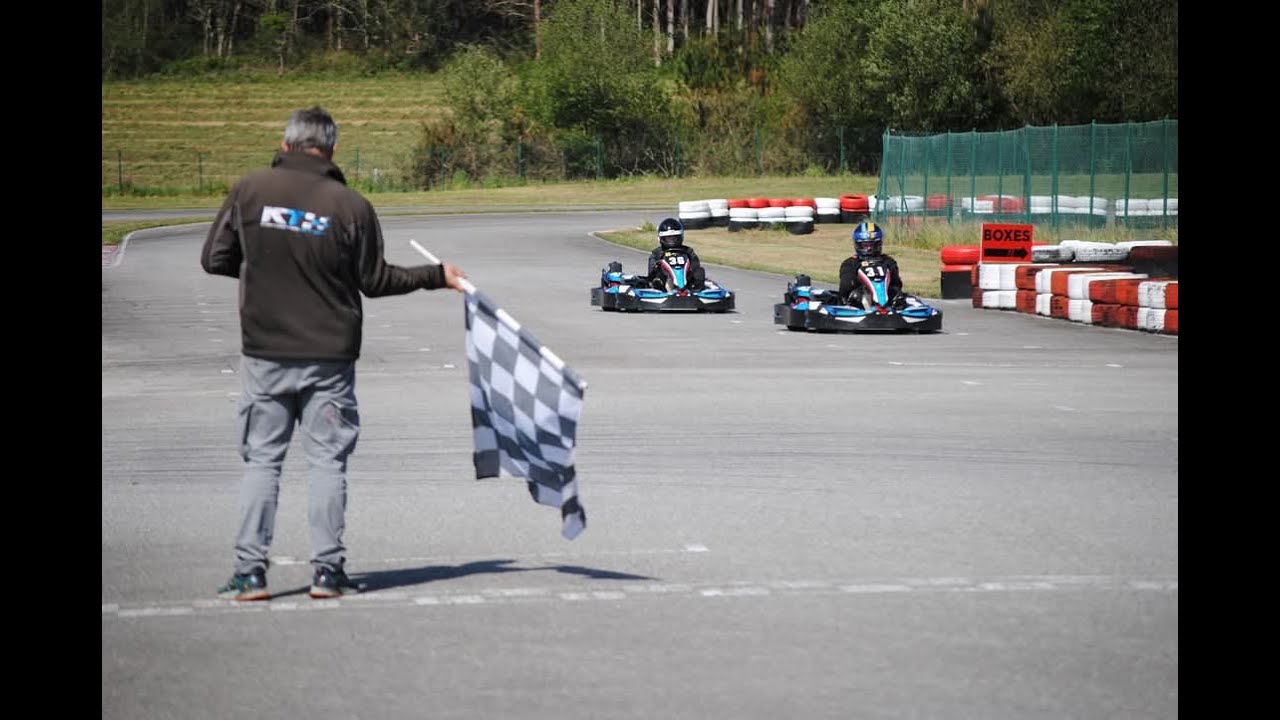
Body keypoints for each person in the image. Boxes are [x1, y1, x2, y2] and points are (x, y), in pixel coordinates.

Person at [200, 106, 467, 601]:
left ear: (285, 145)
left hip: (266, 353)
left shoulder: (250, 190)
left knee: (262, 461)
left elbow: (215, 258)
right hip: (329, 357)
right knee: (327, 463)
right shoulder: (351, 206)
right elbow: (375, 280)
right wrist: (436, 275)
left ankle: (250, 573)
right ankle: (327, 573)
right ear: (332, 149)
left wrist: (263, 265)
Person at [840, 221, 903, 306]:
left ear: (878, 244)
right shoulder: (850, 263)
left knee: (900, 295)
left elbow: (897, 284)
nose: (869, 249)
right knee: (856, 294)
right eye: (865, 245)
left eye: (872, 245)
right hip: (859, 303)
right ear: (858, 245)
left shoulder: (888, 261)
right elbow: (845, 287)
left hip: (887, 299)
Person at [646, 217, 706, 291]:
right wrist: (657, 266)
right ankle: (660, 287)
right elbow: (651, 272)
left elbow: (696, 264)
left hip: (687, 278)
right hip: (665, 280)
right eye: (669, 238)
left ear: (680, 237)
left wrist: (691, 268)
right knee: (659, 276)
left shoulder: (688, 251)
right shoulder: (657, 253)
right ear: (661, 238)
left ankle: (696, 289)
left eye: (674, 238)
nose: (672, 241)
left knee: (700, 271)